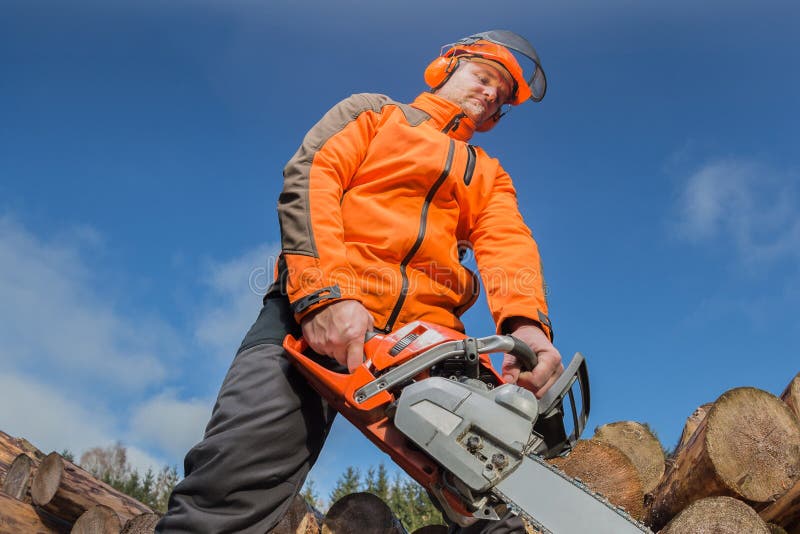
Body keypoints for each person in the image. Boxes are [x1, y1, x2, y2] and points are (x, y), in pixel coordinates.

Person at [156, 30, 564, 534]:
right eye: (483, 79)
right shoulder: (373, 113)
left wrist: (527, 326)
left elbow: (507, 241)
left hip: (427, 341)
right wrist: (324, 294)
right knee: (228, 489)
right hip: (313, 312)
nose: (488, 95)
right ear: (446, 68)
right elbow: (314, 176)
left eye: (500, 97)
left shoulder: (488, 174)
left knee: (500, 493)